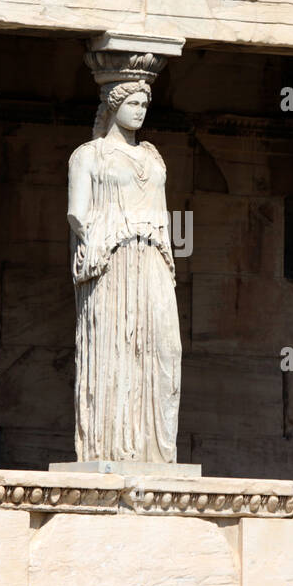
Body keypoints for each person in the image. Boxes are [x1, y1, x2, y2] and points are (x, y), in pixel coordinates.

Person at [67, 80, 180, 462]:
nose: (140, 110)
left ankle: (155, 450)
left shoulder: (153, 156)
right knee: (117, 345)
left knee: (166, 347)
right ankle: (112, 446)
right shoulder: (88, 155)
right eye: (132, 102)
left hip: (154, 258)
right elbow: (78, 214)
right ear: (114, 106)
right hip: (111, 260)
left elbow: (167, 216)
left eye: (145, 103)